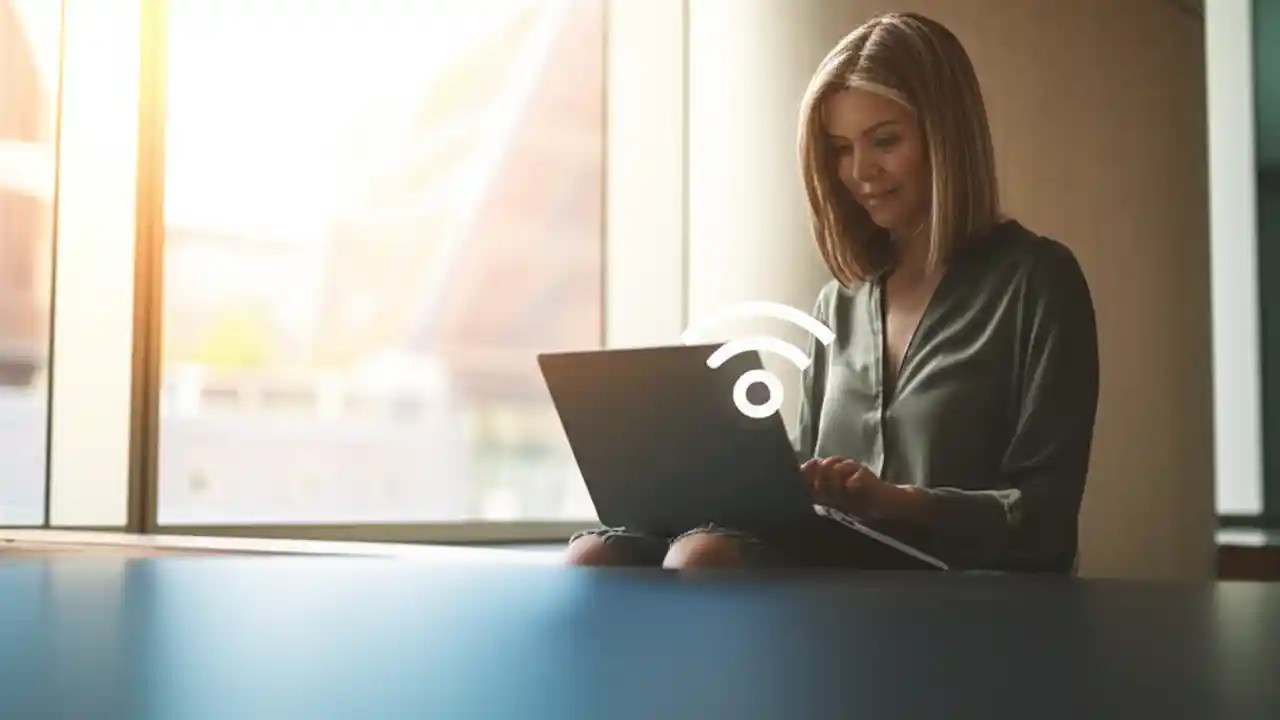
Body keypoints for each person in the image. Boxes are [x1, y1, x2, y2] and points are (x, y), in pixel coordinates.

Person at [564, 11, 1098, 573]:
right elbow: (803, 491)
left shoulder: (1037, 281)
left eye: (884, 141)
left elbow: (1046, 519)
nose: (859, 171)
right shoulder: (839, 304)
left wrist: (896, 502)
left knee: (704, 558)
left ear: (946, 136)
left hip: (955, 588)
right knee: (596, 556)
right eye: (841, 148)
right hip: (836, 572)